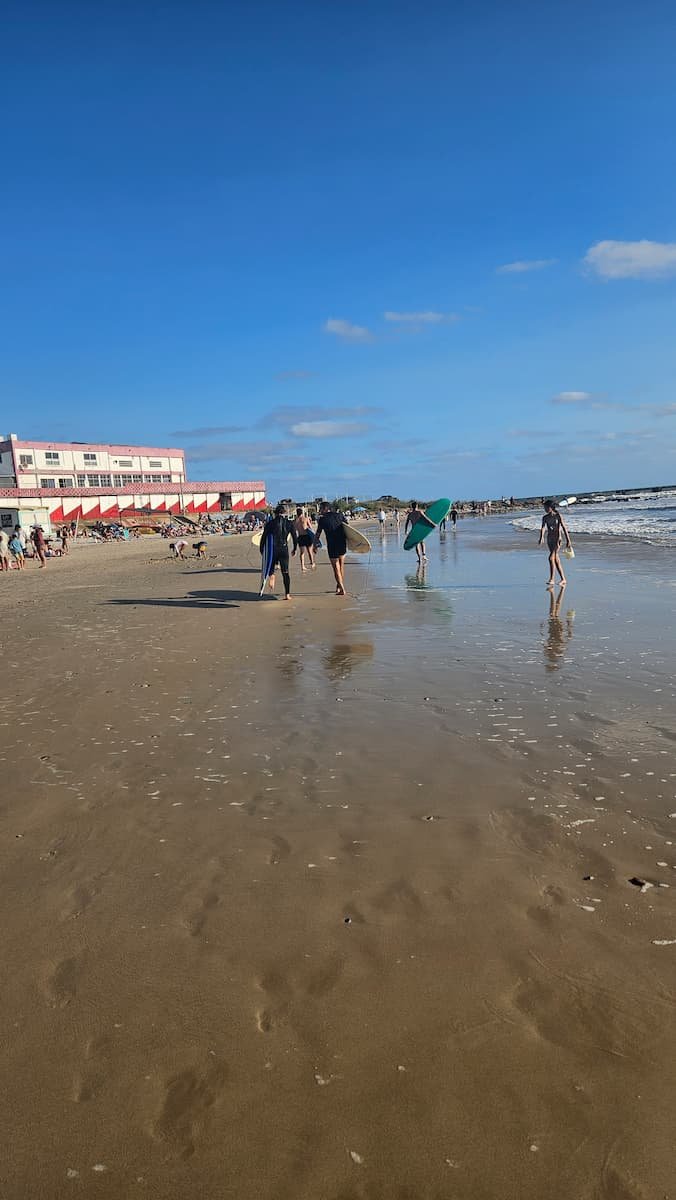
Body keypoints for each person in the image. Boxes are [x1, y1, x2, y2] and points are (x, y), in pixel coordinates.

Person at [260, 503, 297, 599]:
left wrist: (262, 550)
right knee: (285, 572)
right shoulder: (289, 523)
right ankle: (287, 595)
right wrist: (295, 548)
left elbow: (264, 538)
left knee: (271, 565)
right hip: (284, 549)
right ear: (284, 513)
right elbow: (294, 537)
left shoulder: (270, 523)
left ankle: (272, 575)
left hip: (273, 549)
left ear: (275, 513)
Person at [315, 501, 348, 595]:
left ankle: (341, 588)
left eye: (321, 508)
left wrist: (314, 545)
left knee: (336, 567)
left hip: (332, 545)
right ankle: (339, 586)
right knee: (341, 565)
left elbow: (318, 534)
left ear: (326, 508)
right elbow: (347, 528)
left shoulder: (322, 519)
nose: (319, 510)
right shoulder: (340, 515)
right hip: (342, 543)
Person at [538, 499, 572, 588]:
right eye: (544, 507)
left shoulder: (558, 516)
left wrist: (568, 540)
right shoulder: (545, 517)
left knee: (550, 558)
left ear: (551, 507)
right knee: (556, 560)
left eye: (546, 507)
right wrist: (541, 537)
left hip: (557, 539)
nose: (545, 509)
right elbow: (543, 528)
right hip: (550, 539)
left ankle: (552, 579)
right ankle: (563, 579)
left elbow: (564, 528)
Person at [294, 507, 315, 571]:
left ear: (297, 513)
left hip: (300, 537)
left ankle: (302, 566)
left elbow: (295, 529)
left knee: (302, 553)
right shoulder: (305, 519)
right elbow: (310, 528)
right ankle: (312, 563)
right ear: (302, 512)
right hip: (307, 536)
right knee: (309, 551)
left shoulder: (296, 521)